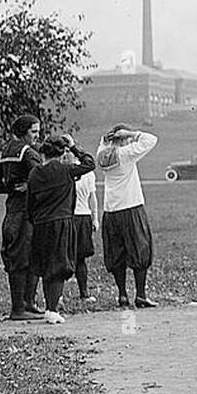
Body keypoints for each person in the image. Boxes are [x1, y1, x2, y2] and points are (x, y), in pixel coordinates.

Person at [27, 134, 97, 324]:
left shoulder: (34, 173)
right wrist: (74, 146)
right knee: (59, 265)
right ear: (62, 152)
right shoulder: (66, 170)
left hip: (41, 224)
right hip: (62, 222)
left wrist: (35, 220)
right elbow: (90, 163)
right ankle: (51, 309)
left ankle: (50, 306)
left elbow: (30, 203)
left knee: (46, 264)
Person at [0, 114, 45, 321]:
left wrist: (9, 189)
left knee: (24, 255)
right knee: (24, 256)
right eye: (34, 132)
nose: (37, 136)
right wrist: (28, 186)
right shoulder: (28, 153)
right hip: (27, 212)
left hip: (13, 210)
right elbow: (43, 176)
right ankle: (19, 308)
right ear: (23, 132)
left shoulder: (6, 150)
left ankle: (27, 304)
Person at [96, 124, 158, 308]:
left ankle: (122, 294)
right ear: (123, 139)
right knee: (140, 250)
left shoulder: (102, 155)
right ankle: (140, 294)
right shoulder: (126, 154)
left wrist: (106, 139)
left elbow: (103, 145)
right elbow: (151, 139)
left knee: (116, 253)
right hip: (131, 207)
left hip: (111, 209)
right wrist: (132, 133)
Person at [71, 154, 100, 301]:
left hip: (82, 215)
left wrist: (95, 218)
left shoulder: (87, 173)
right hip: (69, 216)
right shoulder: (65, 170)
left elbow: (92, 197)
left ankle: (84, 293)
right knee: (66, 257)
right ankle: (58, 295)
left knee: (80, 258)